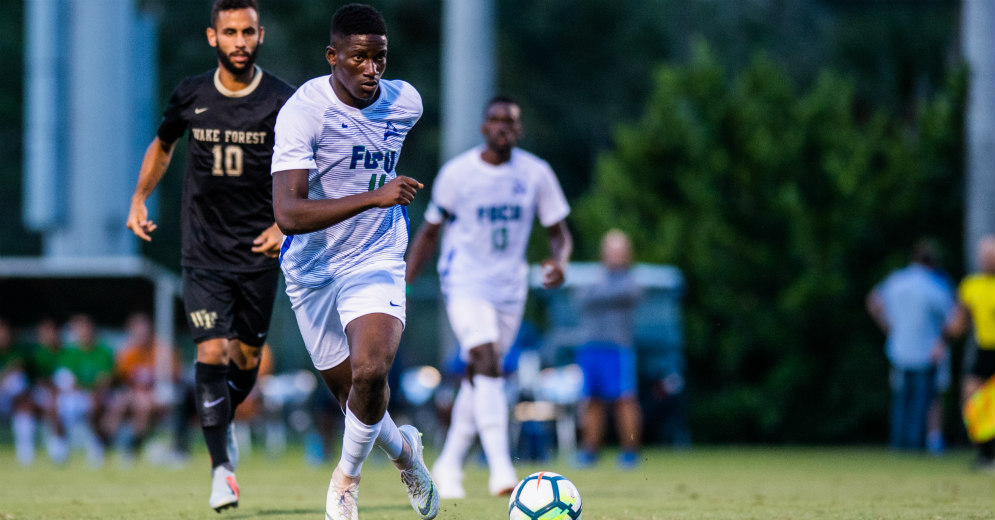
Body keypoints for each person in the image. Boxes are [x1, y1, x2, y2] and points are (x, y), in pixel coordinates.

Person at [124, 0, 294, 511]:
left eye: (248, 32)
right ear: (212, 37)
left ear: (260, 35)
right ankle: (222, 469)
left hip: (258, 253)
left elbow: (307, 168)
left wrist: (283, 224)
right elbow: (163, 145)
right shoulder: (191, 93)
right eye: (230, 32)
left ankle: (222, 424)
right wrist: (139, 197)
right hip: (202, 253)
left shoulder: (283, 101)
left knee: (246, 360)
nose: (240, 41)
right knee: (211, 351)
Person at [270, 4, 438, 520]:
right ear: (332, 56)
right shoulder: (304, 112)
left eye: (380, 58)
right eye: (359, 58)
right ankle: (406, 452)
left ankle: (345, 482)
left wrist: (378, 207)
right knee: (354, 401)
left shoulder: (405, 102)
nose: (372, 69)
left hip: (376, 253)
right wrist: (374, 196)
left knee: (371, 371)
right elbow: (288, 214)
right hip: (312, 269)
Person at [406, 95, 573, 498]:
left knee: (481, 376)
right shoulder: (458, 174)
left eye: (510, 121)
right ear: (484, 127)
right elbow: (429, 232)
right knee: (486, 359)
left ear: (519, 129)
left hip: (510, 288)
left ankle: (448, 463)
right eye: (496, 120)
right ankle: (501, 467)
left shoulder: (536, 173)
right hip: (464, 281)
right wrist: (405, 283)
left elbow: (560, 234)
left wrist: (560, 262)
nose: (502, 127)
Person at [866, 240, 954, 451]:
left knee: (902, 400)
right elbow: (952, 316)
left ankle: (898, 444)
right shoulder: (935, 284)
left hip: (899, 349)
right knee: (924, 401)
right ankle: (918, 445)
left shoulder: (896, 280)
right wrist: (943, 341)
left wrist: (888, 326)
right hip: (928, 351)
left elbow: (873, 300)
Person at [573, 229, 643, 469]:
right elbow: (580, 297)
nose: (614, 256)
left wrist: (596, 293)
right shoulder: (595, 278)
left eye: (619, 251)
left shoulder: (630, 281)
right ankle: (589, 451)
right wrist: (600, 293)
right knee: (591, 400)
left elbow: (595, 295)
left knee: (624, 400)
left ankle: (630, 452)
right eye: (610, 251)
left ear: (627, 254)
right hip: (590, 348)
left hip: (616, 349)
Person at [944, 235, 995, 470]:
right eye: (984, 256)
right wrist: (942, 341)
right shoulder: (971, 285)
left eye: (991, 256)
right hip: (985, 351)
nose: (987, 260)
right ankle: (986, 454)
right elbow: (960, 321)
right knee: (971, 401)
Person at [61, 314, 116, 466]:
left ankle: (96, 444)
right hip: (77, 394)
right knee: (62, 406)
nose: (84, 332)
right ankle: (61, 446)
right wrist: (85, 388)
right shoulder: (70, 352)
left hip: (99, 393)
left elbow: (105, 380)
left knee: (95, 404)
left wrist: (91, 390)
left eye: (86, 328)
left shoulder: (103, 350)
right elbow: (68, 381)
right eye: (80, 329)